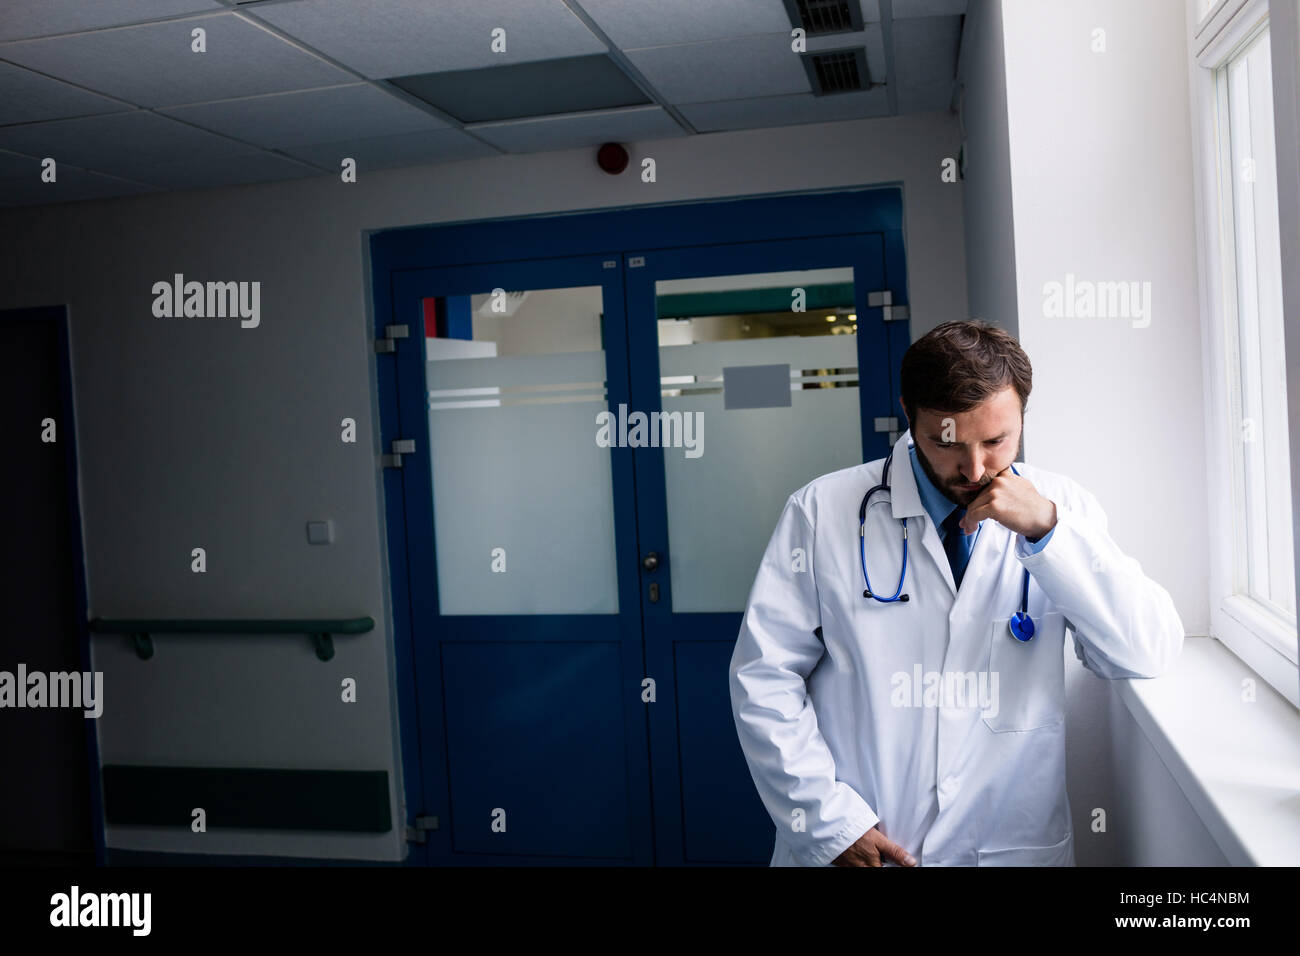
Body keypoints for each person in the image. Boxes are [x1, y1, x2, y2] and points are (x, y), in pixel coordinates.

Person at [728, 320, 1184, 867]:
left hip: (1008, 846)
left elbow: (1144, 651)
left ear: (1021, 415)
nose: (974, 468)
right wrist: (829, 824)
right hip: (861, 842)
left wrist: (1049, 532)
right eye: (948, 443)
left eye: (996, 441)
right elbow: (764, 675)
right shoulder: (822, 512)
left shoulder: (1066, 508)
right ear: (908, 414)